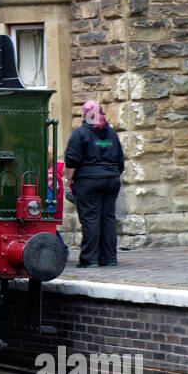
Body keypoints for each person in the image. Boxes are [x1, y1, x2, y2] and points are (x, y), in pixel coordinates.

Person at [62, 100, 124, 267]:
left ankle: (90, 259)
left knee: (90, 218)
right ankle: (109, 258)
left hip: (88, 181)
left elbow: (72, 160)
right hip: (111, 180)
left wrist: (70, 180)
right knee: (108, 218)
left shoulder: (80, 133)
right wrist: (111, 174)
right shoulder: (111, 134)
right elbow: (120, 160)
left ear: (84, 114)